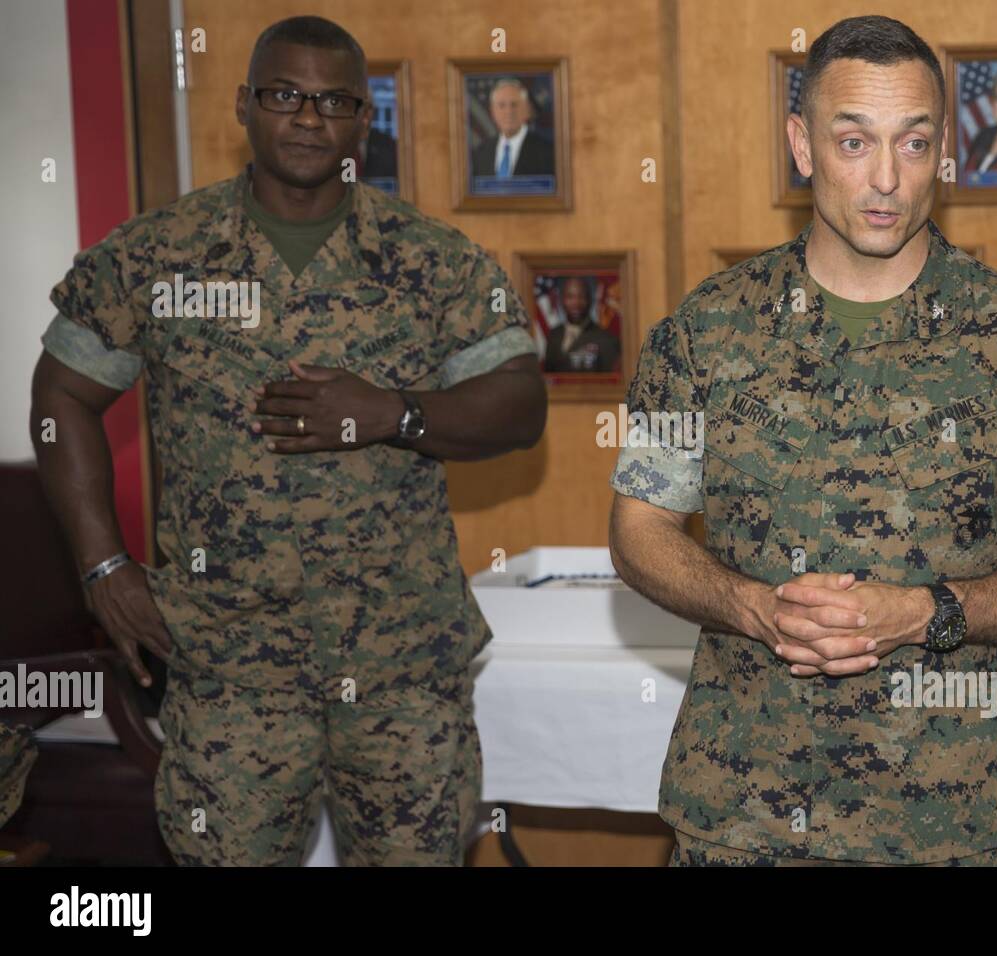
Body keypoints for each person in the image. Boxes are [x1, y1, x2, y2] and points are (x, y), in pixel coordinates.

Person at [29, 15, 545, 866]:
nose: (309, 118)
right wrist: (103, 567)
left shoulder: (430, 262)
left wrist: (395, 413)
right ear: (244, 106)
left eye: (335, 101)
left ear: (363, 121)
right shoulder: (159, 257)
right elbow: (61, 397)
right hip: (230, 669)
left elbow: (521, 404)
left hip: (400, 668)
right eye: (285, 95)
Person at [608, 14, 997, 867]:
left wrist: (929, 613)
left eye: (914, 144)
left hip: (951, 820)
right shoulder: (703, 333)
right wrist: (753, 608)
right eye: (854, 142)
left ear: (944, 151)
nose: (887, 178)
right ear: (801, 145)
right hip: (744, 816)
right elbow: (640, 529)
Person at [470, 78, 555, 179]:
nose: (508, 112)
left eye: (514, 105)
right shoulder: (481, 153)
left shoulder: (548, 153)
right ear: (492, 112)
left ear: (527, 110)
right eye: (501, 105)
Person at [543, 277, 619, 373]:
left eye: (581, 296)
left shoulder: (606, 339)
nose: (576, 303)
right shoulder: (553, 335)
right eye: (570, 297)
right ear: (562, 300)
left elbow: (611, 382)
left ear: (590, 300)